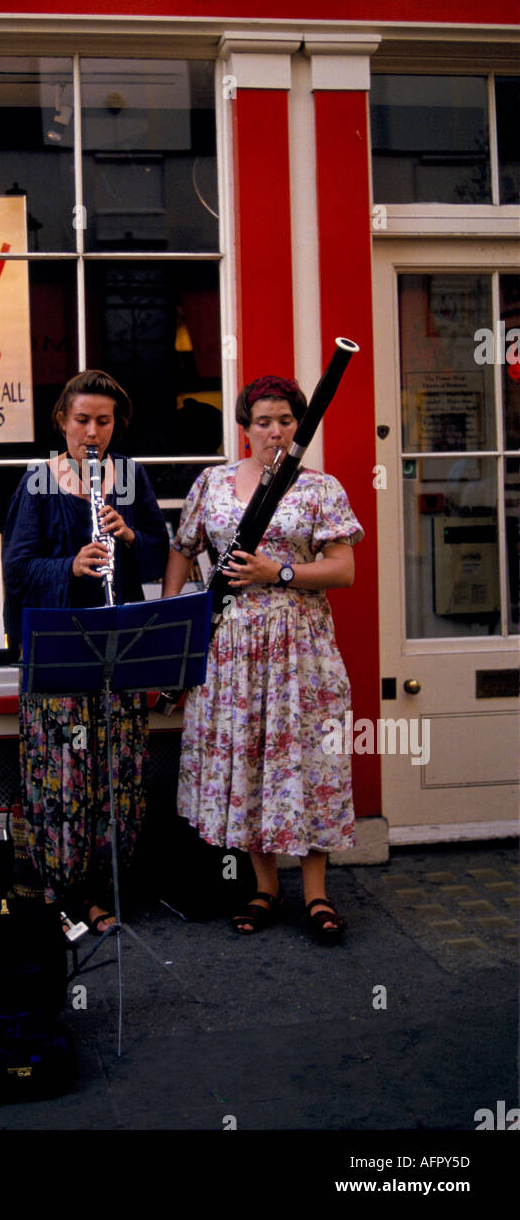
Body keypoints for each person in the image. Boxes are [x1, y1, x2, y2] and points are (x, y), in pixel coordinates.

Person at [162, 374, 363, 943]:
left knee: (307, 760)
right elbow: (183, 549)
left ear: (299, 425)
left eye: (286, 421)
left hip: (299, 644)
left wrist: (280, 571)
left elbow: (343, 570)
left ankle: (318, 893)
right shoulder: (213, 482)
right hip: (230, 645)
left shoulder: (319, 488)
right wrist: (173, 624)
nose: (275, 431)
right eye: (263, 421)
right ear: (244, 428)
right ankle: (265, 886)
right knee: (250, 754)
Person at [2, 370, 169, 932]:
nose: (92, 431)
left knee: (114, 771)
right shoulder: (39, 482)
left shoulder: (132, 478)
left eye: (103, 421)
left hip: (118, 648)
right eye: (82, 421)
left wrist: (129, 538)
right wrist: (70, 565)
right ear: (61, 423)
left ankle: (107, 886)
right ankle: (64, 891)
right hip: (62, 655)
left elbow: (158, 556)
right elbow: (17, 570)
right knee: (66, 774)